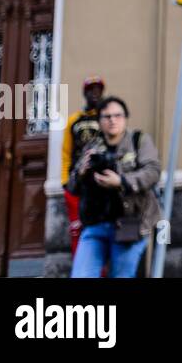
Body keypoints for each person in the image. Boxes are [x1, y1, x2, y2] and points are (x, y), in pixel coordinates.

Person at [67, 97, 161, 278]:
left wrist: (121, 181)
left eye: (117, 115)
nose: (112, 120)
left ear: (125, 118)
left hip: (129, 224)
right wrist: (81, 172)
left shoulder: (138, 140)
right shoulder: (91, 147)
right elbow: (72, 187)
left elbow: (152, 172)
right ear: (99, 121)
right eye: (107, 116)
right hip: (95, 225)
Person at [61, 76, 105, 258]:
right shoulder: (74, 120)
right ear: (84, 93)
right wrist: (65, 180)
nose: (95, 94)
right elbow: (66, 151)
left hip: (99, 184)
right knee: (77, 229)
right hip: (77, 184)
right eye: (91, 90)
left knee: (99, 229)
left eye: (98, 90)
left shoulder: (105, 118)